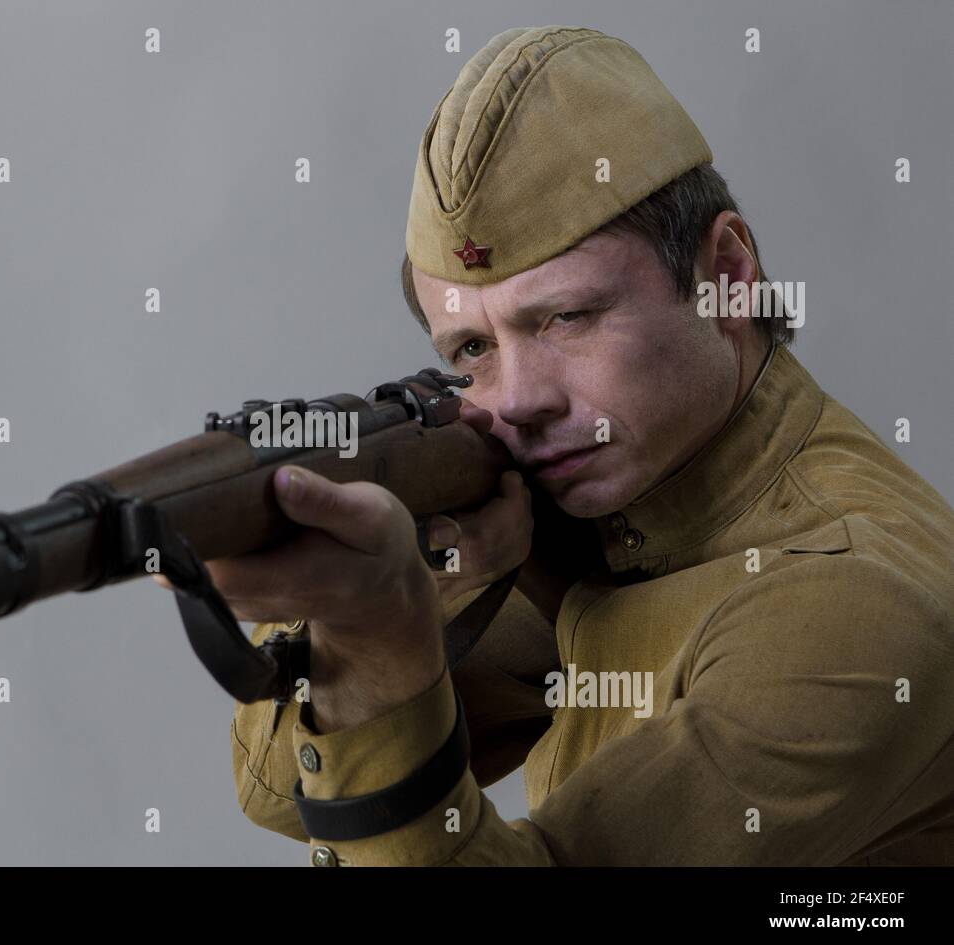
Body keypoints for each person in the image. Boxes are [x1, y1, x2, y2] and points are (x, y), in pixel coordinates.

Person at [214, 26, 954, 865]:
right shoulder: (590, 509)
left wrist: (379, 632)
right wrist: (436, 577)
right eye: (472, 349)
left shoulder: (851, 608)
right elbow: (277, 790)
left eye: (567, 317)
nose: (516, 400)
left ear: (726, 276)